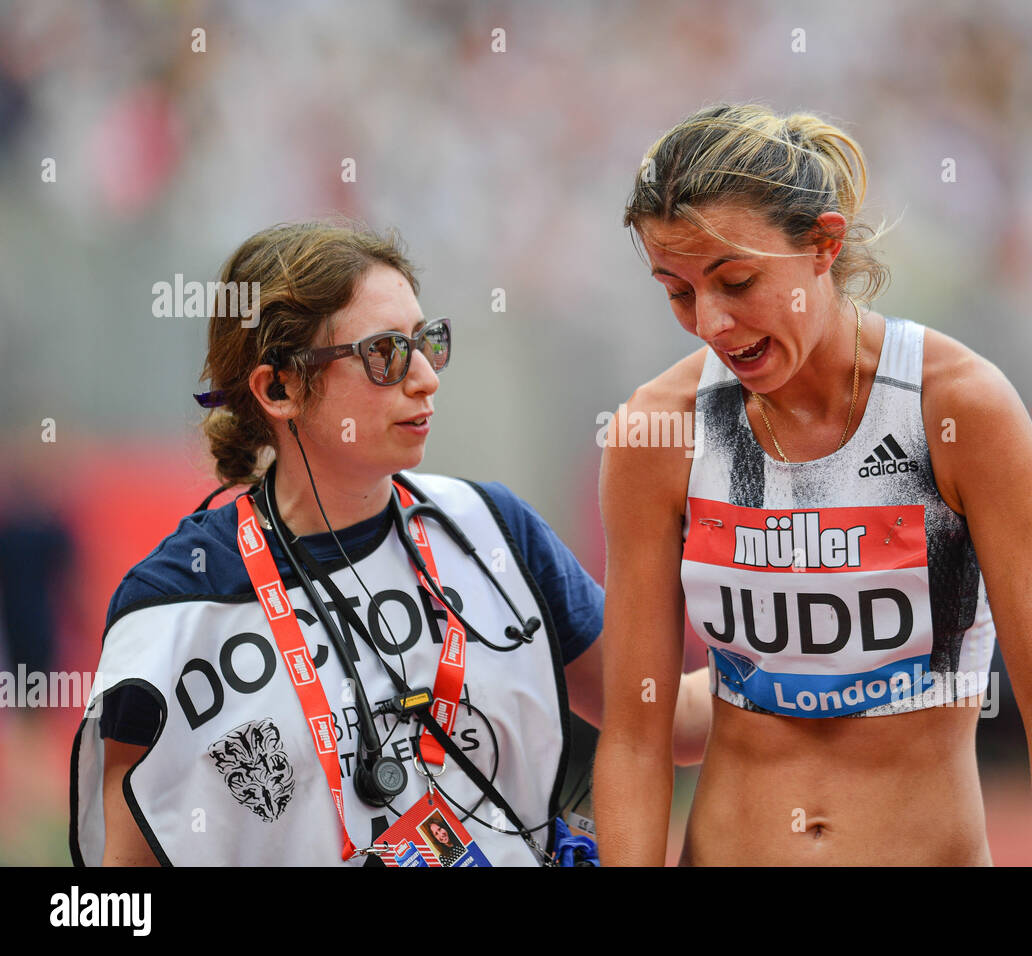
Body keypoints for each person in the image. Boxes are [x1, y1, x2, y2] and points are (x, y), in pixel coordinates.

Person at [71, 220, 709, 867]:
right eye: (385, 353)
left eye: (428, 342)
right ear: (279, 388)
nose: (427, 377)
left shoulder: (493, 530)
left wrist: (801, 664)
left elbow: (670, 717)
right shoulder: (172, 609)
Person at [593, 105, 1032, 865]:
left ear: (825, 245)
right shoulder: (655, 433)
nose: (712, 323)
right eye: (678, 291)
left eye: (737, 281)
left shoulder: (957, 408)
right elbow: (636, 739)